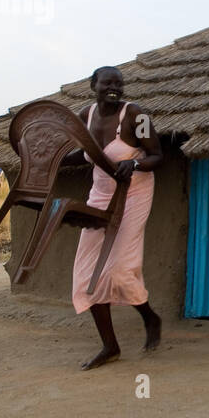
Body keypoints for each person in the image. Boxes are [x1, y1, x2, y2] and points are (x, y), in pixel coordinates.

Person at [62, 65, 164, 370]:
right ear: (93, 85)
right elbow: (77, 152)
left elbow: (157, 155)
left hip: (134, 194)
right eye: (107, 83)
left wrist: (134, 165)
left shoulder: (136, 116)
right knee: (85, 276)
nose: (114, 88)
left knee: (119, 269)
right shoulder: (85, 116)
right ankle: (110, 346)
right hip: (101, 195)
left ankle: (150, 317)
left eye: (119, 84)